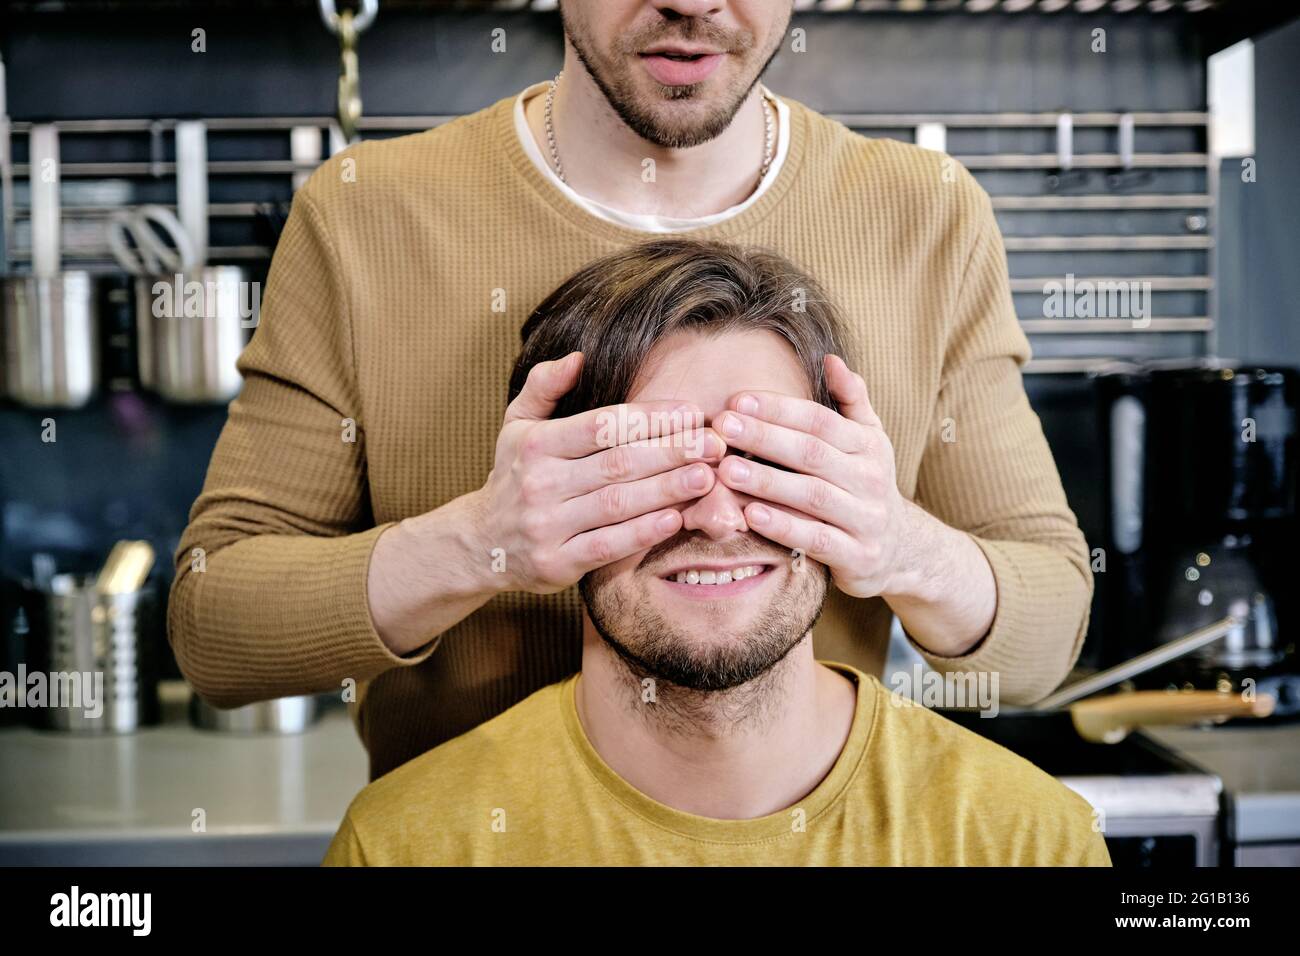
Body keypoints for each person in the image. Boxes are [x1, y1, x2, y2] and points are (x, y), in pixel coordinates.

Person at [170, 0, 1093, 781]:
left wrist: (897, 544)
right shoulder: (363, 213)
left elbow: (1047, 634)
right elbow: (214, 625)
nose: (689, 3)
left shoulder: (926, 217)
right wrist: (479, 543)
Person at [322, 240, 1110, 866]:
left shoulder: (1032, 843)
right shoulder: (402, 848)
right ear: (545, 495)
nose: (718, 515)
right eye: (654, 464)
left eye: (766, 460)